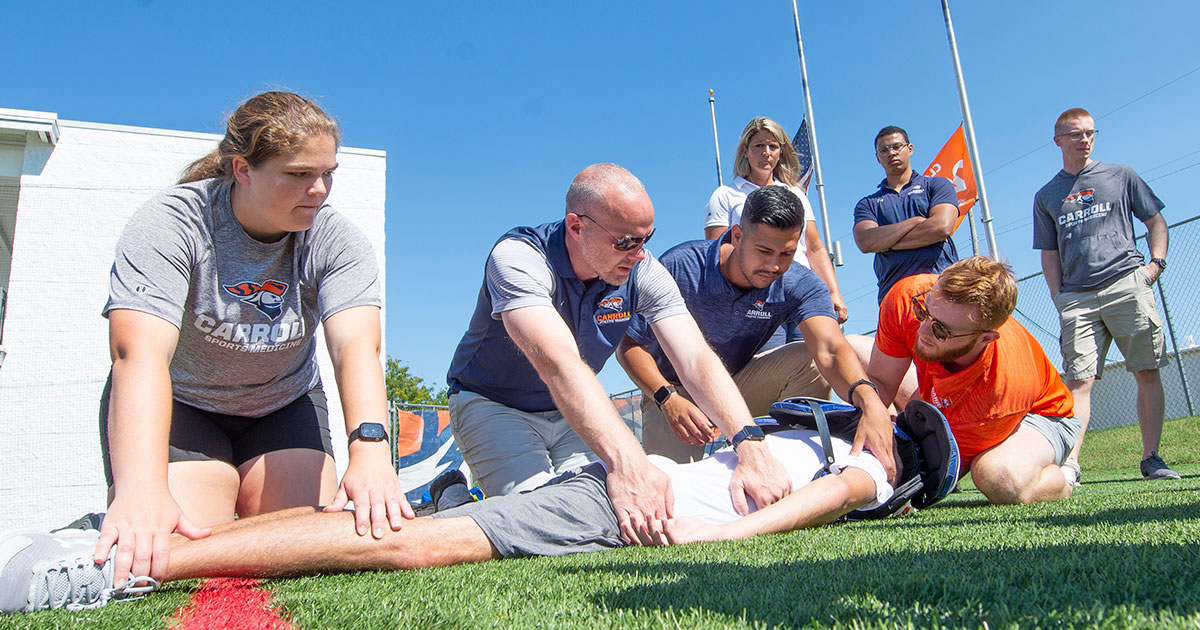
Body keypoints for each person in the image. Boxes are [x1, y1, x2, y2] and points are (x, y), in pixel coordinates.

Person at [0, 423, 901, 614]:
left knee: (422, 538)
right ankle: (128, 564)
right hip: (617, 503)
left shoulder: (852, 462)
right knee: (417, 542)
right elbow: (784, 518)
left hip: (616, 504)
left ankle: (125, 547)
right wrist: (716, 534)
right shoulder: (856, 462)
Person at [97, 91, 409, 590]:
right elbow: (137, 353)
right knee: (185, 549)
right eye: (299, 174)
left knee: (305, 549)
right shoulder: (173, 222)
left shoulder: (336, 240)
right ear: (242, 169)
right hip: (184, 406)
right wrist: (140, 489)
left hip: (283, 402)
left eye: (328, 173)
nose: (319, 190)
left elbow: (356, 347)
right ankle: (97, 525)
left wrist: (371, 453)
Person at [445, 164, 792, 544]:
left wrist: (750, 443)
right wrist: (629, 465)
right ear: (577, 227)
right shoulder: (518, 257)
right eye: (625, 241)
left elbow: (695, 356)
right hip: (495, 404)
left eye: (646, 239)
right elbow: (558, 362)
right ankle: (451, 497)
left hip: (570, 410)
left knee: (604, 511)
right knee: (539, 519)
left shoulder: (642, 269)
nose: (638, 255)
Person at [618, 185, 896, 483]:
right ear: (737, 236)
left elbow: (830, 348)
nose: (774, 265)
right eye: (764, 251)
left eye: (786, 253)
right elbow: (629, 346)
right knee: (671, 487)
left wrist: (869, 400)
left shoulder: (799, 282)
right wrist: (666, 399)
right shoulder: (681, 265)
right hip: (672, 391)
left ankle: (787, 455)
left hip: (736, 384)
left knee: (809, 357)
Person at [1033, 107, 1177, 483]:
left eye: (1090, 132)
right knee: (1078, 381)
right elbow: (1049, 252)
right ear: (1058, 140)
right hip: (1077, 298)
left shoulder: (1121, 175)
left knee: (1145, 370)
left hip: (1126, 283)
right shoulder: (1046, 195)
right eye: (1076, 133)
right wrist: (1058, 295)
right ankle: (1072, 466)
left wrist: (1154, 266)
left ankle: (1152, 459)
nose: (1085, 139)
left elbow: (1155, 221)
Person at [867, 256, 1079, 505]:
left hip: (1041, 414)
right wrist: (870, 421)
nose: (922, 330)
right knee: (851, 352)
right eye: (923, 311)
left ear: (984, 339)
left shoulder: (1000, 387)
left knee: (999, 478)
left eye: (941, 331)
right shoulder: (908, 295)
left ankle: (1066, 474)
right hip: (944, 389)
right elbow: (880, 381)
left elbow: (939, 467)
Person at [703, 116, 848, 323]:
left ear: (780, 151)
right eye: (759, 146)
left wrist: (833, 292)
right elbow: (718, 252)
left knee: (814, 353)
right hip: (754, 298)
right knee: (769, 355)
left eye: (773, 146)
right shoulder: (725, 195)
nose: (766, 153)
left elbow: (814, 247)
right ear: (745, 151)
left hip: (800, 291)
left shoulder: (796, 195)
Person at [853, 126, 962, 303]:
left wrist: (886, 244)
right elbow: (866, 242)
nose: (891, 153)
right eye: (884, 150)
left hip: (940, 287)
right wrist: (915, 222)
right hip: (893, 293)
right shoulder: (868, 204)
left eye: (897, 147)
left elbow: (942, 227)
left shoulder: (937, 186)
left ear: (909, 149)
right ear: (877, 157)